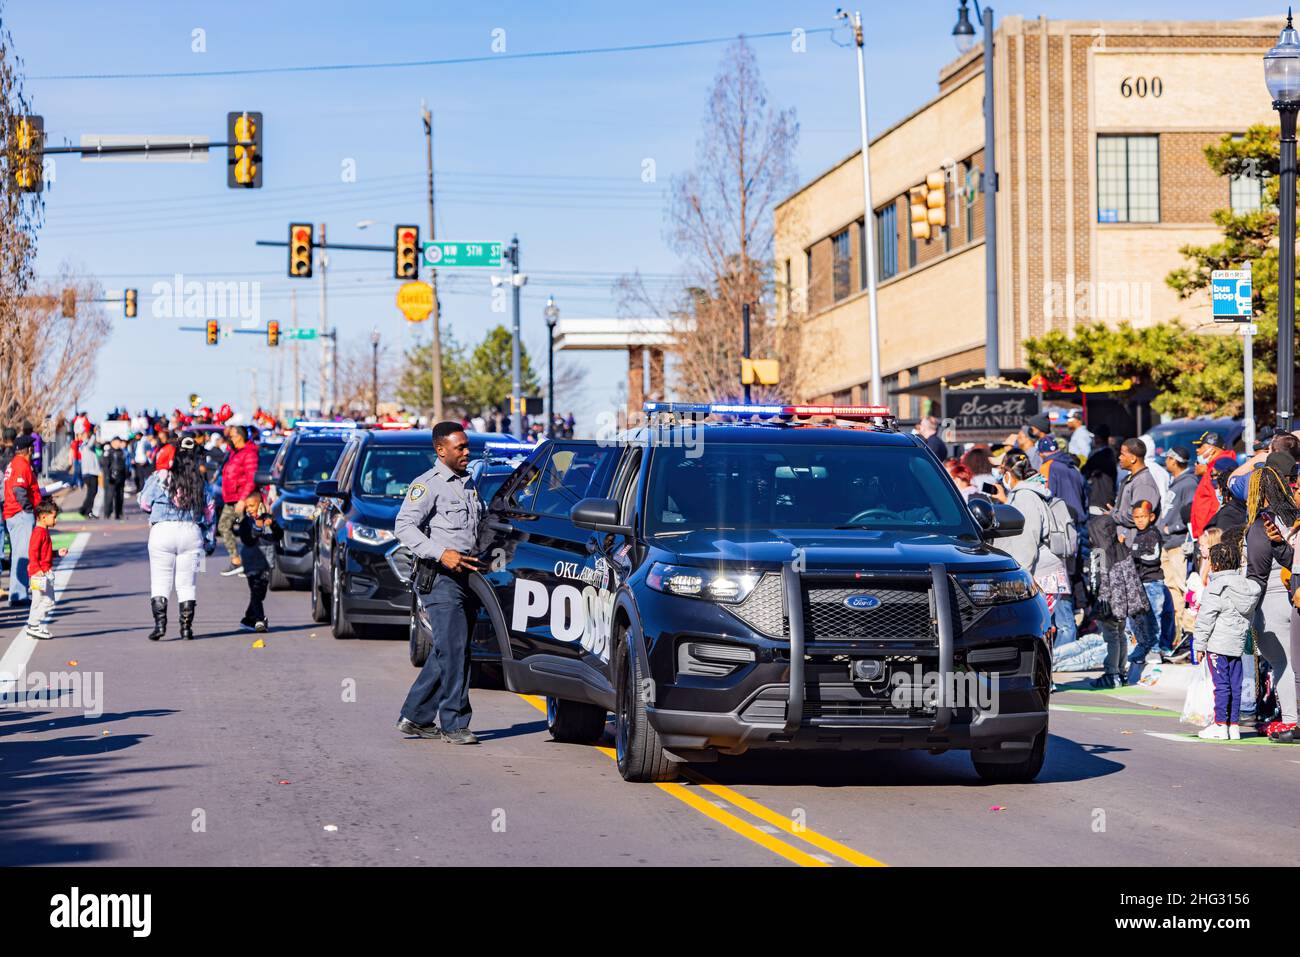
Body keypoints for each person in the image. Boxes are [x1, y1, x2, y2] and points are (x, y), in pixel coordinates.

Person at [394, 421, 487, 745]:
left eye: (466, 445)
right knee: (455, 649)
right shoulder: (428, 484)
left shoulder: (468, 483)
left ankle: (415, 716)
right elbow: (404, 527)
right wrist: (440, 552)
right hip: (439, 577)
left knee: (449, 649)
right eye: (459, 447)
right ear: (440, 450)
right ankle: (454, 723)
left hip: (468, 576)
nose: (466, 451)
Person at [1242, 452, 1299, 737]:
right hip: (1293, 593)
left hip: (1271, 599)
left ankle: (1291, 718)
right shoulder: (1292, 516)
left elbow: (1256, 572)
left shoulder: (1260, 525)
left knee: (1282, 664)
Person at [138, 436, 213, 640]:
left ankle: (160, 627)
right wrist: (209, 538)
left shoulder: (159, 477)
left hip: (162, 531)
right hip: (191, 532)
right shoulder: (199, 480)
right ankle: (186, 629)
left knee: (160, 581)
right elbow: (209, 511)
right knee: (187, 584)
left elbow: (144, 503)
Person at [1191, 540, 1258, 740]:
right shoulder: (1247, 587)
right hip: (1236, 644)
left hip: (1217, 644)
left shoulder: (1216, 587)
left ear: (1215, 564)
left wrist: (1199, 645)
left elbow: (1206, 618)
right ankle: (1233, 726)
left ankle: (1220, 724)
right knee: (1235, 684)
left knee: (1221, 685)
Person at [998, 449, 1071, 617]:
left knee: (1037, 625)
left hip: (1037, 573)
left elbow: (1026, 542)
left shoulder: (1025, 497)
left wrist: (1019, 576)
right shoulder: (1021, 495)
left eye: (1001, 470)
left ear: (1008, 472)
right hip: (1036, 570)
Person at [1159, 445, 1198, 650]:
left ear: (1174, 461)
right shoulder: (1176, 482)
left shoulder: (1188, 483)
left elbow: (1190, 515)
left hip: (1178, 544)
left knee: (1182, 591)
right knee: (1171, 592)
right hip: (1168, 544)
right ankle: (1176, 636)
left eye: (1168, 458)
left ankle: (1186, 638)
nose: (1165, 462)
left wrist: (1172, 528)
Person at [1124, 500, 1165, 685]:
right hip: (1140, 584)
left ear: (1152, 517)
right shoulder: (1138, 535)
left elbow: (1152, 556)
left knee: (1154, 616)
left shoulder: (1153, 534)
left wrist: (1135, 554)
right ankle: (1143, 647)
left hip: (1153, 582)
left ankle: (1155, 649)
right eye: (1136, 517)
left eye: (1143, 517)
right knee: (1139, 618)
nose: (1140, 520)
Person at [232, 491, 282, 633]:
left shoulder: (269, 519)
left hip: (266, 563)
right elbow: (247, 540)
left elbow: (279, 535)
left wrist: (272, 525)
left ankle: (248, 618)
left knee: (261, 593)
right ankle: (259, 620)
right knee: (255, 590)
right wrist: (258, 527)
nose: (249, 509)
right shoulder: (245, 522)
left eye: (252, 506)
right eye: (247, 507)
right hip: (251, 563)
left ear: (261, 505)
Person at [3, 436, 42, 605]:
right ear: (28, 450)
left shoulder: (15, 463)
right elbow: (18, 489)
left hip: (15, 513)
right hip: (19, 514)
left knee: (20, 554)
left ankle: (18, 593)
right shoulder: (21, 464)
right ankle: (18, 596)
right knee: (22, 554)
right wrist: (28, 509)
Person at [217, 425, 258, 577]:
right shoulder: (234, 452)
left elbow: (251, 478)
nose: (231, 439)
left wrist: (243, 499)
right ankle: (237, 561)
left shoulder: (249, 453)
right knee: (224, 526)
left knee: (248, 532)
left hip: (243, 499)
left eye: (233, 436)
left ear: (240, 436)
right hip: (231, 498)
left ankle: (251, 564)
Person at [24, 501, 68, 640]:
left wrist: (56, 553)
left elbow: (44, 552)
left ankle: (33, 627)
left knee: (37, 602)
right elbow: (32, 552)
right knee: (48, 601)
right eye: (53, 517)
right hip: (40, 574)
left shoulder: (43, 531)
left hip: (40, 572)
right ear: (43, 517)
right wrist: (37, 569)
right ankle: (33, 624)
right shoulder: (39, 532)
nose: (55, 520)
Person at [1114, 438, 1161, 537]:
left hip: (1136, 543)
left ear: (1133, 458)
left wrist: (1114, 515)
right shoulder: (1131, 478)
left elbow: (1138, 515)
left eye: (1123, 454)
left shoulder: (1143, 483)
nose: (1119, 457)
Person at [1082, 424, 1117, 509]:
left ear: (1098, 439)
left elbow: (1084, 471)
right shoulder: (1110, 453)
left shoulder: (1099, 455)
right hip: (1106, 498)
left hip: (1098, 500)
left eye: (1095, 438)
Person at [102, 436, 129, 520]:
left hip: (120, 477)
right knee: (109, 496)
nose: (118, 444)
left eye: (119, 442)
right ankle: (107, 513)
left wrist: (126, 473)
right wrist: (108, 476)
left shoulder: (122, 452)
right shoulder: (108, 452)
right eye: (116, 442)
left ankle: (118, 513)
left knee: (120, 496)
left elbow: (124, 465)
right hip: (111, 477)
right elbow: (105, 466)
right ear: (112, 442)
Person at [78, 436, 101, 519]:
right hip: (91, 472)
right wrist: (95, 434)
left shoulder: (84, 446)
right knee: (92, 492)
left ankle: (85, 509)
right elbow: (91, 442)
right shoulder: (87, 446)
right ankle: (86, 510)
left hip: (88, 472)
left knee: (91, 493)